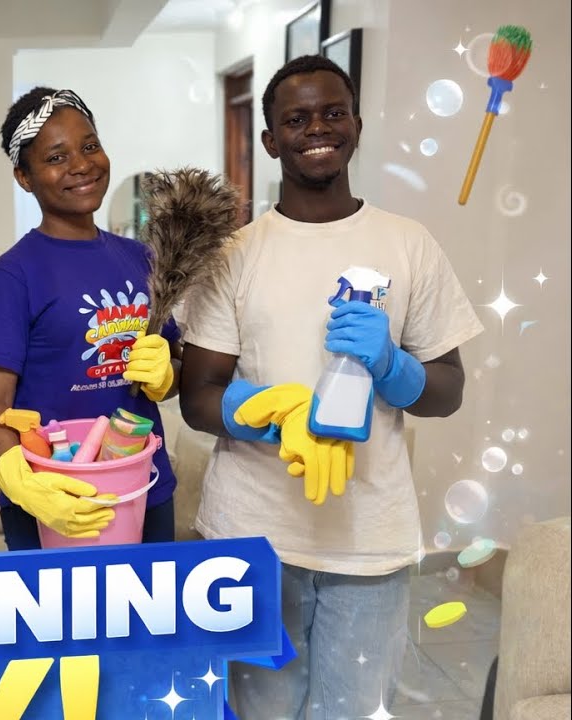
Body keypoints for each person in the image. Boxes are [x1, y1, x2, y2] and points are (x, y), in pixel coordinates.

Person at [177, 55, 483, 718]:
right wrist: (272, 415)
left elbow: (450, 389)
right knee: (259, 712)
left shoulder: (409, 245)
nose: (317, 128)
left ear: (357, 126)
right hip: (252, 536)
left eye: (333, 112)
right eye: (296, 119)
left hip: (369, 541)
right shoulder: (234, 254)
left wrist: (394, 366)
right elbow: (197, 396)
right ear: (270, 140)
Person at [0, 87, 182, 549]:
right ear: (24, 177)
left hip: (142, 489)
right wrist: (23, 483)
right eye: (56, 157)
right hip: (52, 498)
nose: (81, 165)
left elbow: (173, 369)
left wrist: (168, 373)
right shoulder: (12, 275)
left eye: (90, 146)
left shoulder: (142, 258)